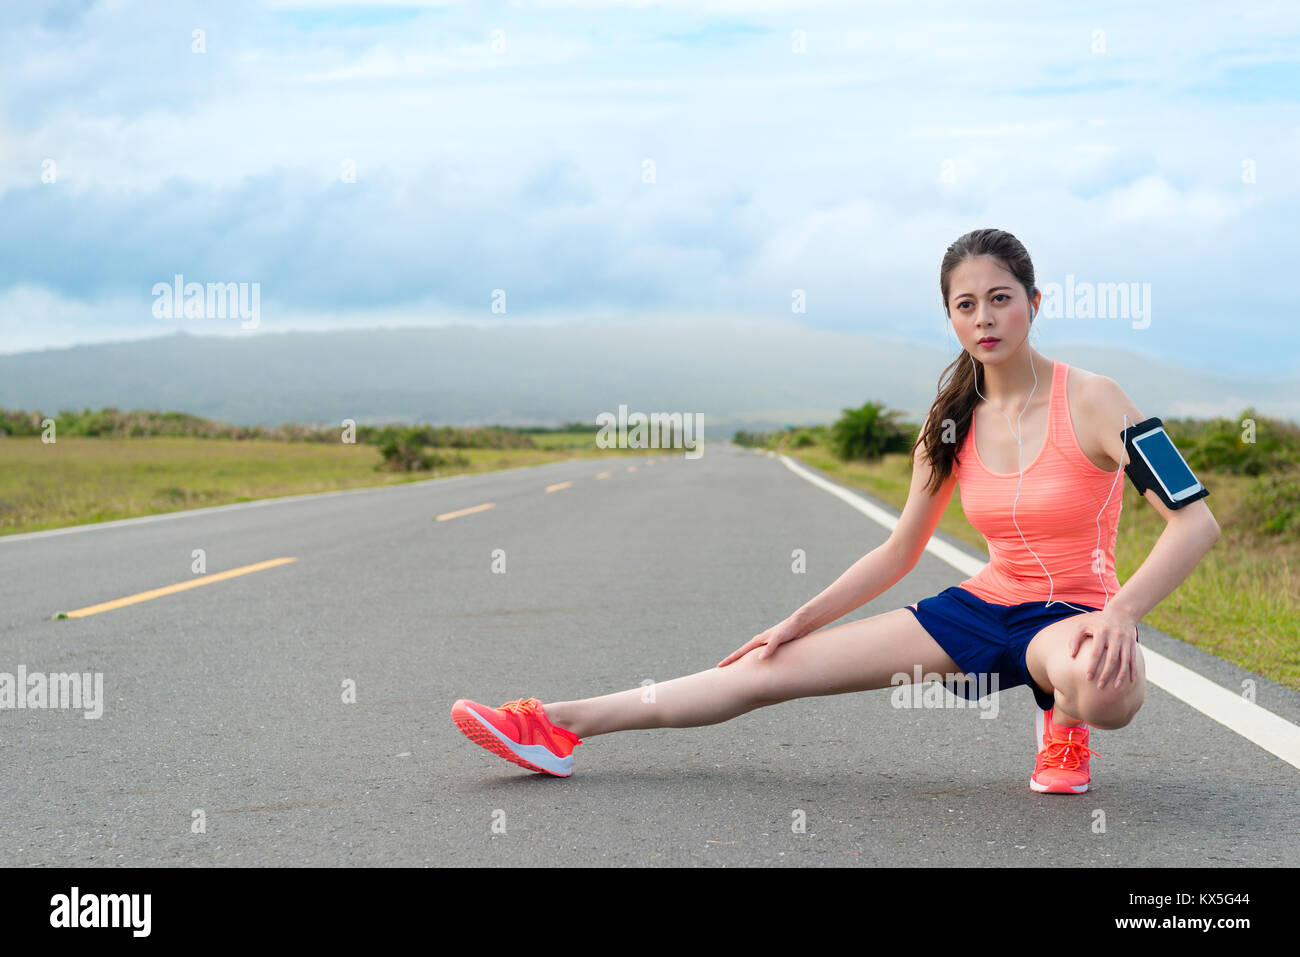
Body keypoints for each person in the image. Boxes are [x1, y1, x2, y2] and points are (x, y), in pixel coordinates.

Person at [451, 228, 1222, 793]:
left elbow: (1196, 521)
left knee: (1103, 685)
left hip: (1072, 616)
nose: (984, 316)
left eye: (1000, 298)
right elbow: (898, 552)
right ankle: (555, 723)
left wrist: (1120, 612)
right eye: (966, 304)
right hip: (981, 608)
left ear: (1033, 304)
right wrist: (796, 623)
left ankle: (1063, 724)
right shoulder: (948, 421)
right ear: (950, 318)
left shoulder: (1096, 399)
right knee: (762, 672)